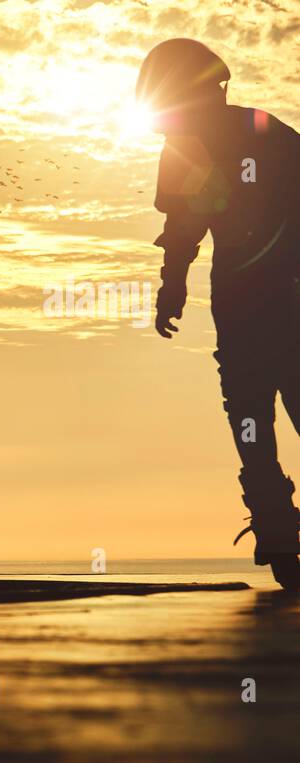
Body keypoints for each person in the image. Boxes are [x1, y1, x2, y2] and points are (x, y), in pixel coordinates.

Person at [139, 39, 300, 587]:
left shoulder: (258, 131)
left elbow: (185, 227)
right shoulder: (222, 137)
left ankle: (277, 527)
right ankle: (277, 528)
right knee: (249, 413)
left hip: (273, 293)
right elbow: (185, 227)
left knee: (252, 411)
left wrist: (174, 288)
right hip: (244, 298)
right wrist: (172, 287)